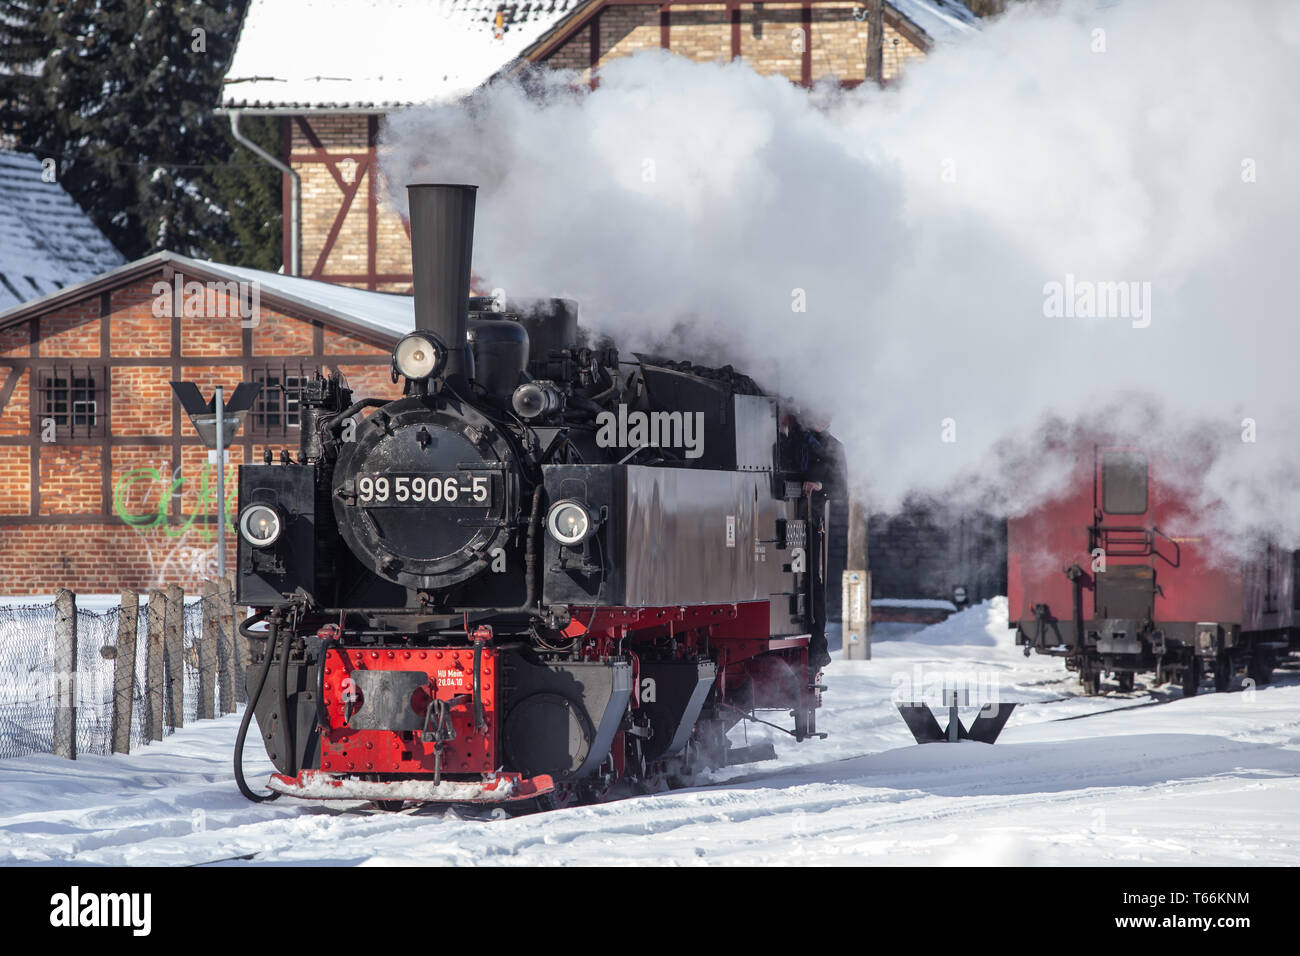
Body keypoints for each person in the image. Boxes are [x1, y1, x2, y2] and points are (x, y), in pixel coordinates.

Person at [778, 409, 846, 672]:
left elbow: (841, 489)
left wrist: (819, 486)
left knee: (813, 583)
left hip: (811, 519)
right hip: (785, 516)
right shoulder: (790, 439)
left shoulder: (835, 448)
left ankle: (819, 645)